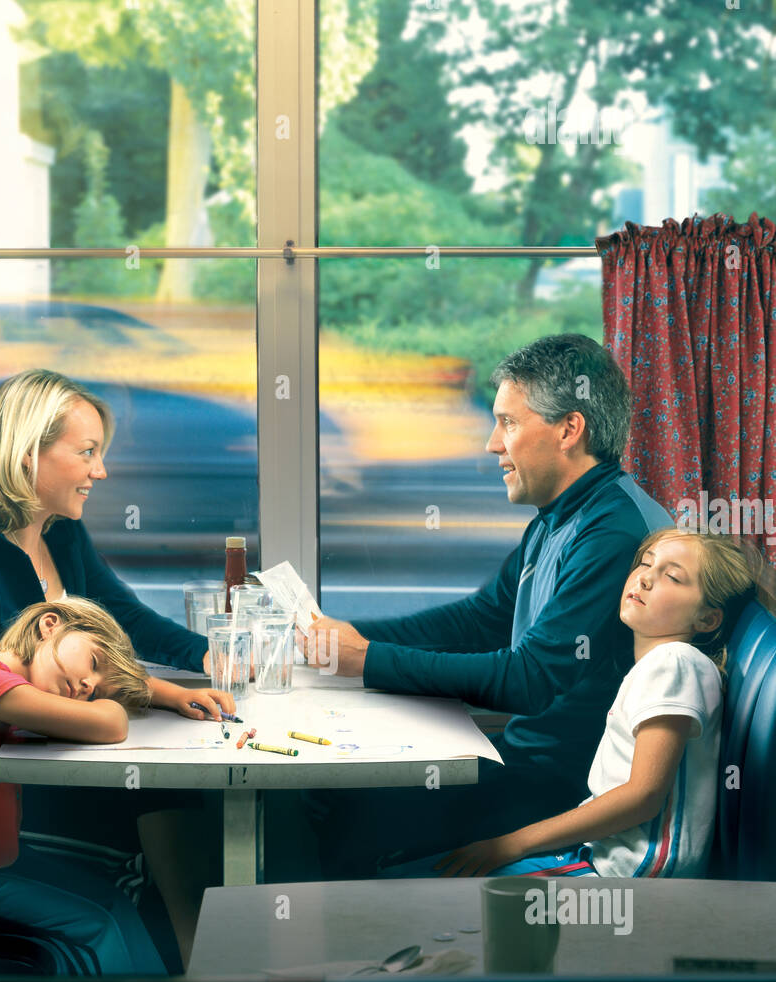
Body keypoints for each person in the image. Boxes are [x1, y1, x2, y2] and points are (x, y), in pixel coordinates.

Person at [0, 368, 220, 968]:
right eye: (86, 453)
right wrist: (21, 718)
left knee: (179, 788)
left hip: (40, 767)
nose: (100, 471)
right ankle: (190, 960)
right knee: (162, 796)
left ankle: (195, 964)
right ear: (28, 453)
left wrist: (204, 660)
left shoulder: (59, 534)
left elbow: (123, 617)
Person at [300, 334, 674, 879]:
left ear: (569, 430)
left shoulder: (611, 533)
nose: (492, 444)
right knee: (337, 788)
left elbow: (529, 679)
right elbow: (482, 620)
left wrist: (367, 658)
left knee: (343, 805)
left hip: (560, 787)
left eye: (509, 423)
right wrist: (351, 640)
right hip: (525, 758)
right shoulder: (561, 513)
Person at [0, 597, 234, 974]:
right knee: (94, 929)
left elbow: (104, 701)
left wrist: (175, 695)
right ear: (49, 625)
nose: (87, 686)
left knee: (116, 904)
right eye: (95, 664)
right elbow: (112, 724)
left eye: (97, 689)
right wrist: (113, 703)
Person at [382, 529, 760, 881]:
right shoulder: (659, 666)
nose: (645, 578)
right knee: (414, 876)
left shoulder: (674, 662)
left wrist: (509, 844)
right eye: (645, 563)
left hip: (626, 877)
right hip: (602, 860)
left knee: (412, 884)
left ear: (708, 619)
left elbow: (643, 796)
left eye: (672, 577)